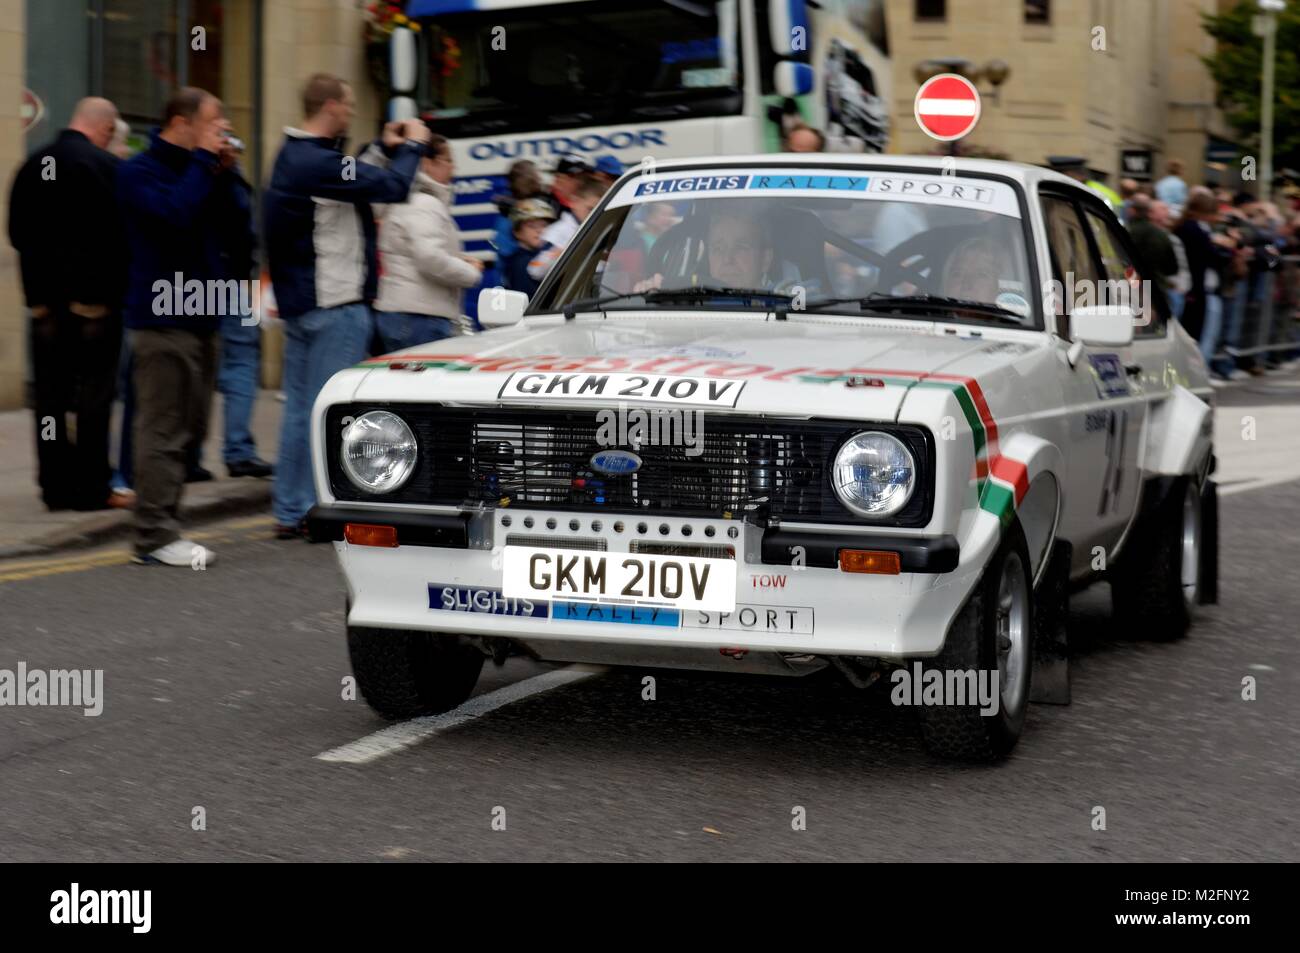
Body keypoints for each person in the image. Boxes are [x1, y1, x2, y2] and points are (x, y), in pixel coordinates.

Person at [263, 73, 429, 539]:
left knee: (301, 410)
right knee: (332, 414)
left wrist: (381, 144)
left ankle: (291, 508)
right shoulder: (315, 162)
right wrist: (413, 146)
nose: (352, 111)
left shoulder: (297, 157)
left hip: (305, 306)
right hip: (335, 305)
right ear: (332, 106)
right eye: (350, 104)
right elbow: (392, 187)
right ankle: (318, 507)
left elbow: (352, 178)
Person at [117, 87, 245, 566]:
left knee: (191, 431)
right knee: (162, 429)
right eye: (215, 122)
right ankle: (152, 534)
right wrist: (203, 165)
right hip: (160, 317)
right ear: (181, 122)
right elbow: (174, 215)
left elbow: (238, 228)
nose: (222, 130)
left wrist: (228, 176)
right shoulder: (137, 172)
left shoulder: (204, 169)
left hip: (203, 313)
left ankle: (165, 523)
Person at [7, 96, 129, 513]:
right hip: (93, 307)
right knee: (93, 401)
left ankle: (55, 487)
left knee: (50, 402)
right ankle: (93, 488)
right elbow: (120, 236)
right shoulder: (104, 167)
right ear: (107, 130)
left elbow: (17, 234)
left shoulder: (31, 166)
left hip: (45, 311)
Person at [372, 131, 483, 352]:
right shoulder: (423, 203)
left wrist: (457, 259)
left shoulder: (410, 200)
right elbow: (429, 258)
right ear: (426, 163)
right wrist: (471, 272)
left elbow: (416, 252)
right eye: (448, 160)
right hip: (419, 318)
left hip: (407, 314)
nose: (454, 168)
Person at [527, 176, 608, 283]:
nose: (594, 215)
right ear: (574, 202)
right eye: (590, 209)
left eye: (599, 212)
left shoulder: (598, 230)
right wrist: (563, 253)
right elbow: (535, 269)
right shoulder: (557, 231)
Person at [500, 198, 557, 295]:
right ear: (517, 232)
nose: (539, 230)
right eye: (532, 226)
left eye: (544, 225)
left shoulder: (548, 252)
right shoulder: (519, 263)